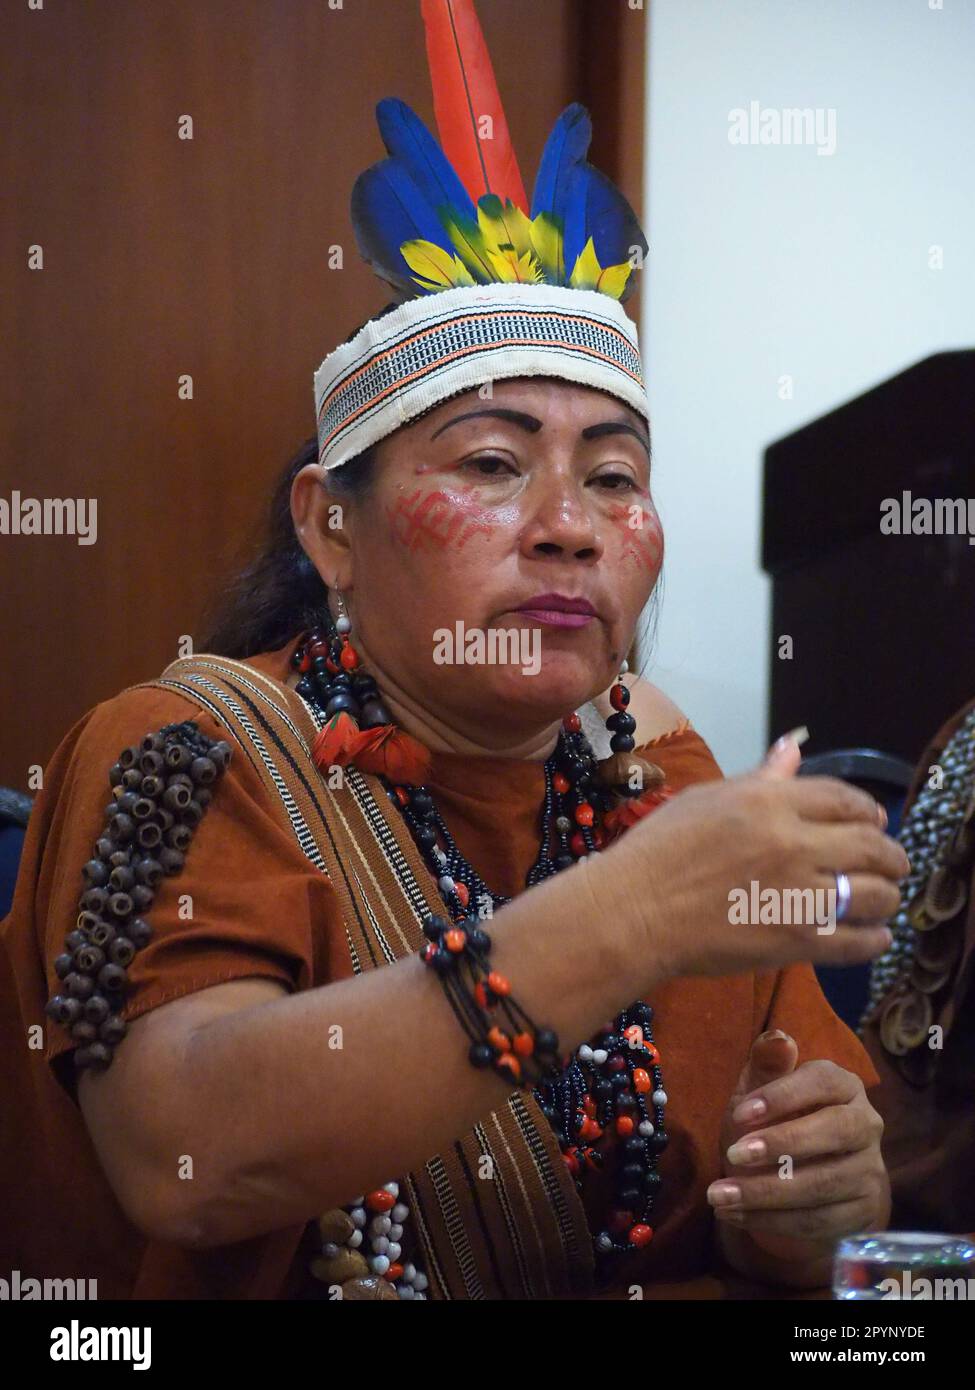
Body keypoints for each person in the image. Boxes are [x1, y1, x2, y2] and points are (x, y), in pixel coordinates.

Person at [0, 0, 906, 1301]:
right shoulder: (172, 754)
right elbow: (183, 1154)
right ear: (331, 528)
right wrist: (632, 911)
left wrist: (816, 1206)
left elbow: (815, 1200)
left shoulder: (675, 779)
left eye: (612, 476)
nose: (569, 529)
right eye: (492, 463)